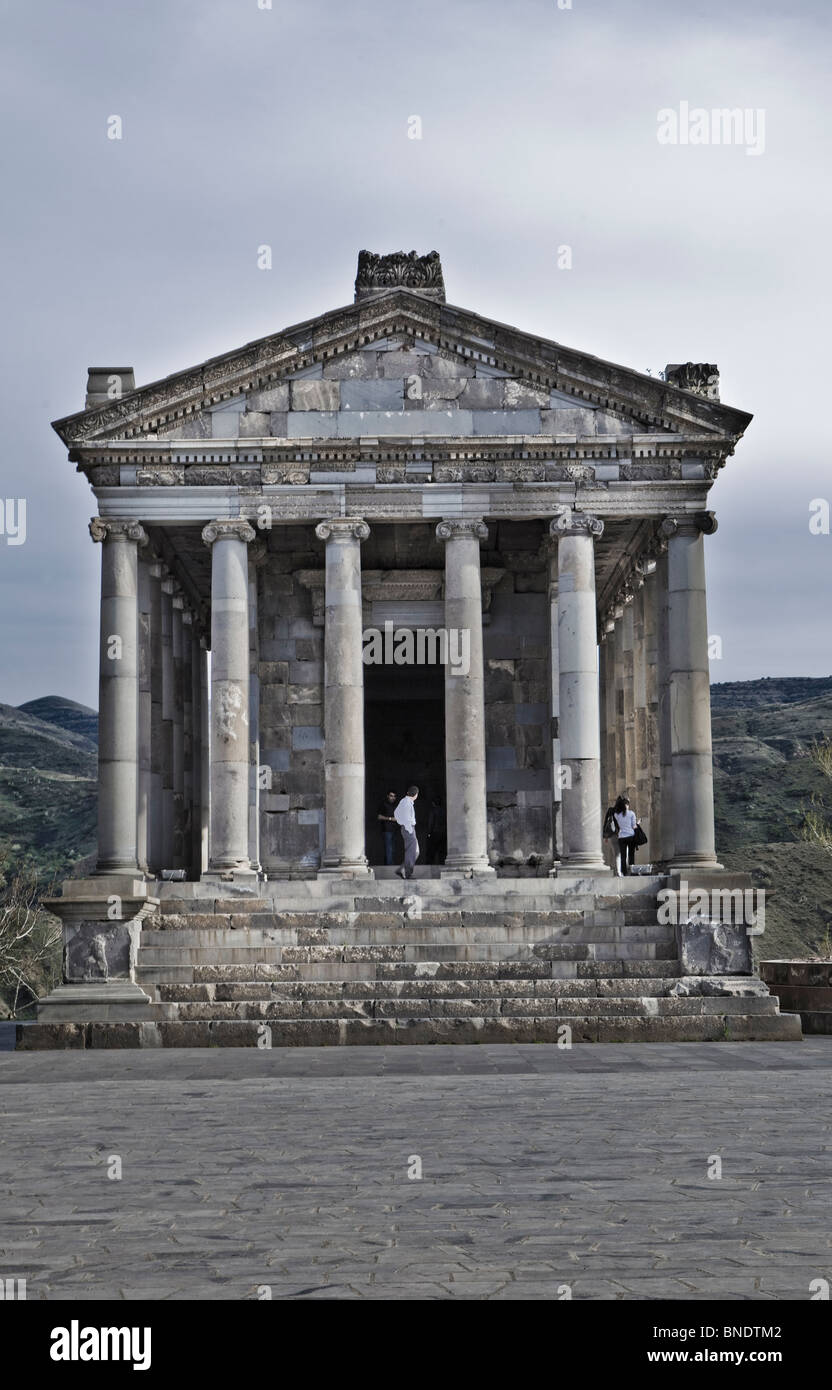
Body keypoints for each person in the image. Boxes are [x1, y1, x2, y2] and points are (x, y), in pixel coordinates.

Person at [394, 785, 420, 879]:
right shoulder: (407, 803)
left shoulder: (404, 801)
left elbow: (396, 813)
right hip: (409, 828)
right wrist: (409, 828)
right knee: (412, 851)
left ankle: (401, 869)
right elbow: (406, 817)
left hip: (408, 828)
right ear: (416, 794)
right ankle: (408, 873)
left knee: (416, 851)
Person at [614, 795, 638, 876]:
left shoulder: (617, 815)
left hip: (621, 837)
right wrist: (638, 823)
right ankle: (632, 871)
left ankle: (623, 872)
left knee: (623, 856)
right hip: (631, 836)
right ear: (627, 805)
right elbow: (634, 826)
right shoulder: (632, 813)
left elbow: (616, 811)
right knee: (631, 855)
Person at [376, 790, 398, 866]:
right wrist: (390, 819)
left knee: (393, 849)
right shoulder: (383, 804)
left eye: (394, 796)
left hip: (395, 830)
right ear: (388, 796)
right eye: (391, 796)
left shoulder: (396, 805)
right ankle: (390, 866)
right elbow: (379, 817)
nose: (393, 798)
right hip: (386, 830)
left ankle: (389, 865)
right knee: (389, 849)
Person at [427, 796, 447, 864]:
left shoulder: (433, 811)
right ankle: (441, 862)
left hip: (435, 833)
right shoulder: (444, 811)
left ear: (433, 803)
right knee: (441, 850)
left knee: (432, 850)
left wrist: (429, 833)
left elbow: (431, 822)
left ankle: (431, 863)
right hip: (443, 833)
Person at [602, 803, 619, 875]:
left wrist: (605, 836)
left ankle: (614, 871)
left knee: (614, 854)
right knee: (618, 854)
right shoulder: (621, 812)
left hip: (612, 835)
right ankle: (618, 871)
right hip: (617, 835)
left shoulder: (610, 811)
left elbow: (606, 823)